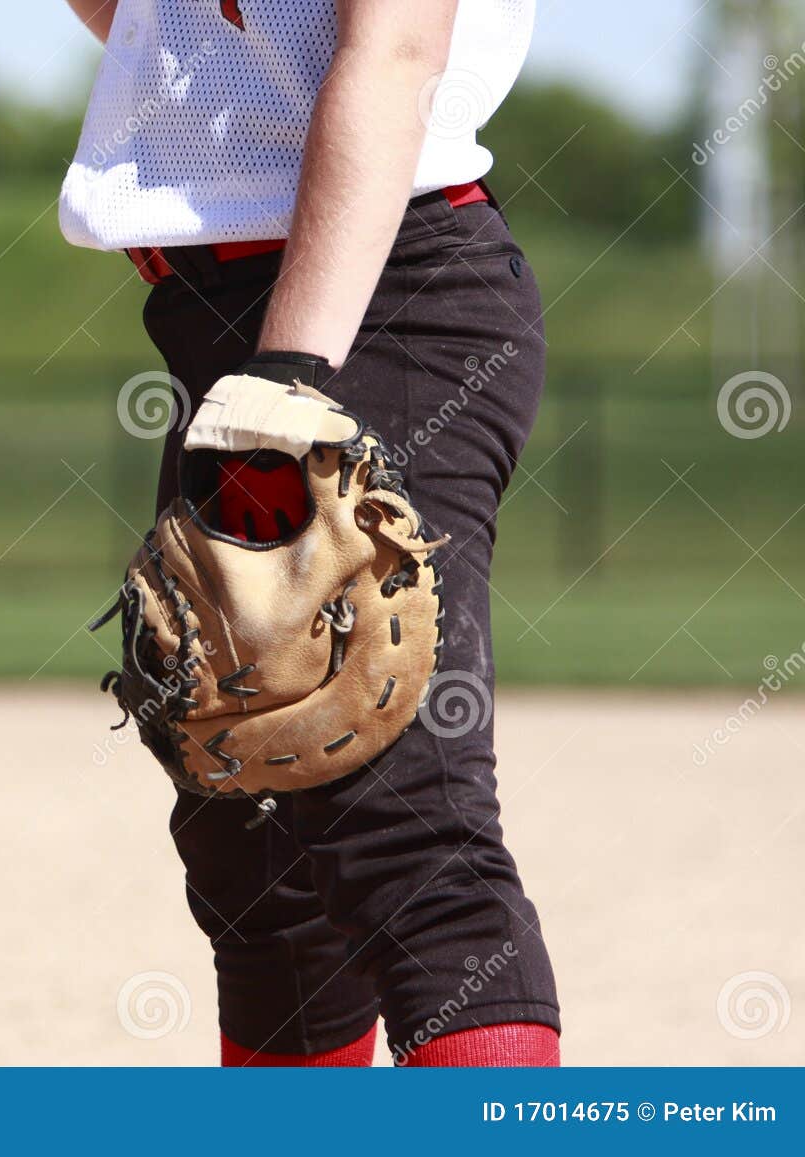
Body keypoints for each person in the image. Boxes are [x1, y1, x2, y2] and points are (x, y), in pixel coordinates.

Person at [62, 1, 560, 1066]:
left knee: (397, 813)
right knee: (247, 814)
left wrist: (289, 378)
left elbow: (395, 49)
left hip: (375, 300)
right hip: (222, 311)